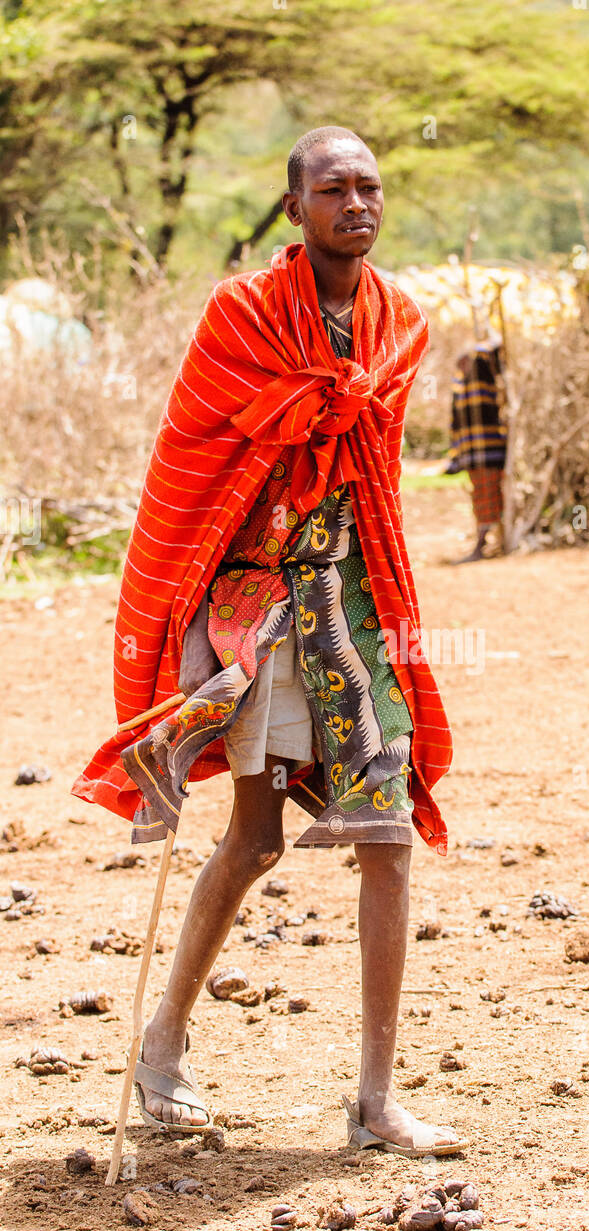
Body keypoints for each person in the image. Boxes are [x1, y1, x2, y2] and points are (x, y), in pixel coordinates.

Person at [72, 127, 461, 1158]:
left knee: (384, 837)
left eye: (370, 187)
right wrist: (196, 626)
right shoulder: (240, 314)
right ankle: (159, 1048)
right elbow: (199, 454)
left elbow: (367, 469)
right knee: (253, 840)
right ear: (293, 208)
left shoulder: (401, 326)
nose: (356, 203)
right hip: (256, 602)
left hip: (357, 598)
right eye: (332, 188)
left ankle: (376, 1102)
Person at [447, 340, 507, 561]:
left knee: (489, 496)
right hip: (474, 452)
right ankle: (487, 541)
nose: (462, 367)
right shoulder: (462, 385)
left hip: (489, 450)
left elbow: (494, 347)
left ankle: (482, 544)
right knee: (482, 496)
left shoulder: (482, 371)